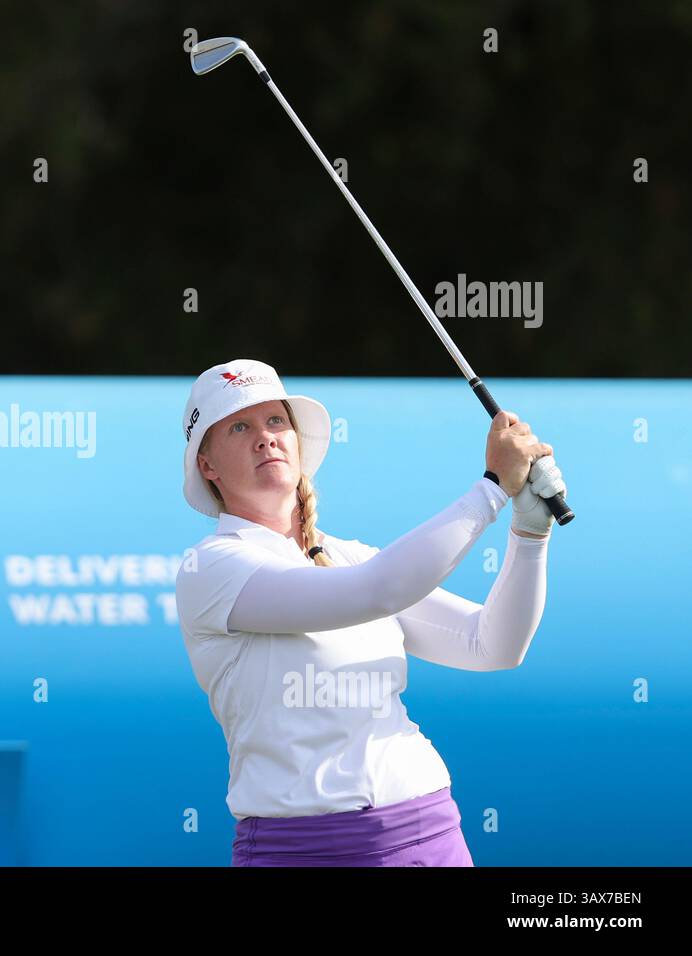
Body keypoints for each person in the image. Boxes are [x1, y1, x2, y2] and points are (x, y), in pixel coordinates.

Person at [174, 358, 567, 866]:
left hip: (431, 832)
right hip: (303, 852)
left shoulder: (351, 555)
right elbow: (376, 591)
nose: (266, 438)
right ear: (207, 465)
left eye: (276, 421)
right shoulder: (210, 568)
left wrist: (530, 534)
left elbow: (492, 645)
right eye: (239, 426)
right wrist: (491, 488)